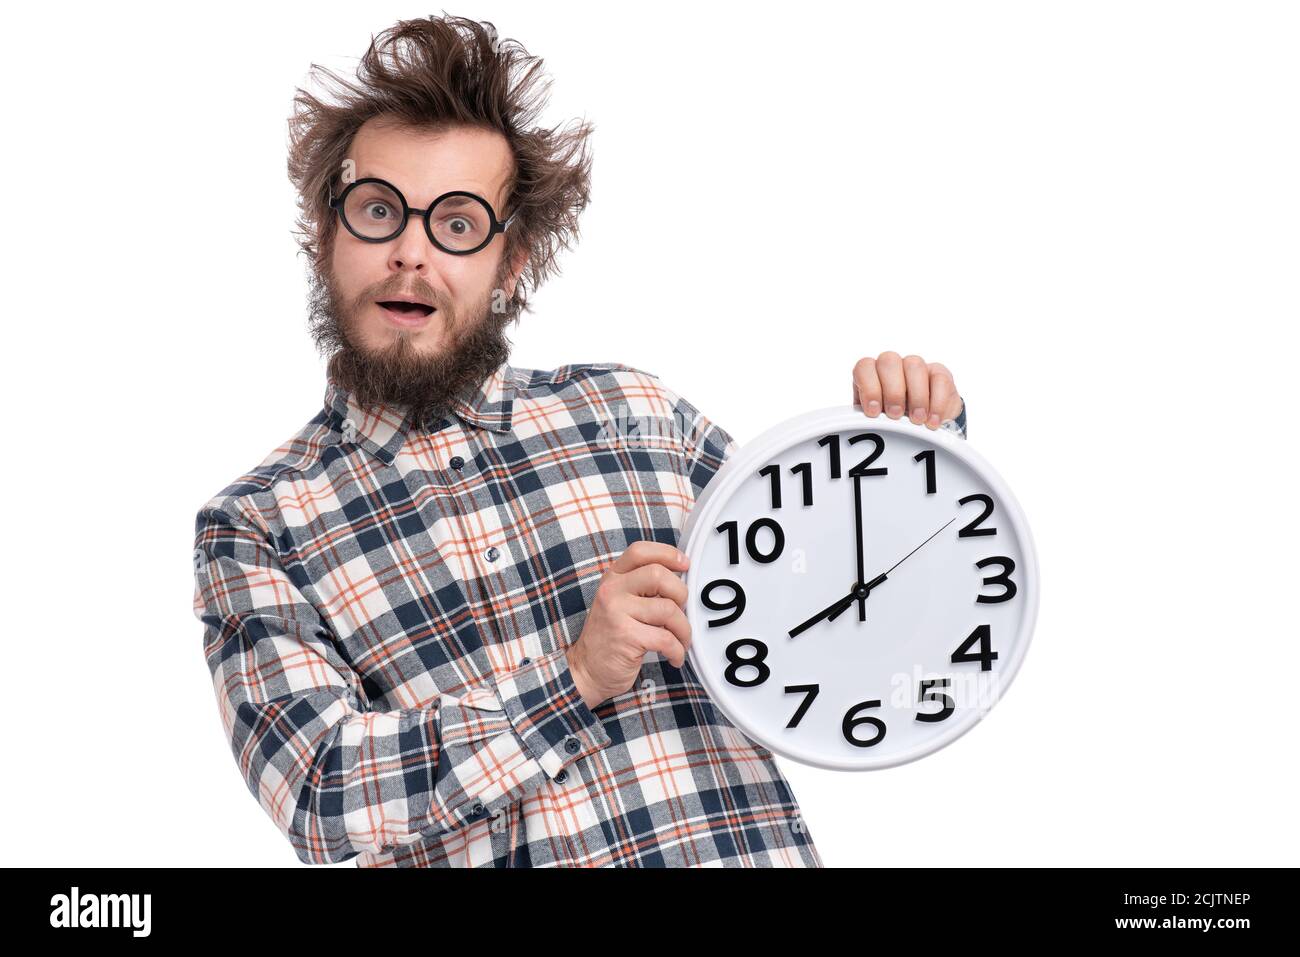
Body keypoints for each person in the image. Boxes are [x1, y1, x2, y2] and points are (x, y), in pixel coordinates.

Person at [191, 14, 968, 868]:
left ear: (512, 261)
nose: (409, 253)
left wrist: (917, 456)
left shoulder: (635, 412)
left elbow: (837, 607)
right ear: (326, 231)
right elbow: (321, 794)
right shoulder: (256, 524)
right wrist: (574, 679)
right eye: (378, 211)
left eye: (455, 223)